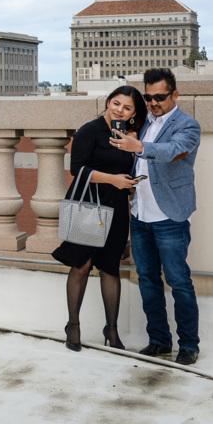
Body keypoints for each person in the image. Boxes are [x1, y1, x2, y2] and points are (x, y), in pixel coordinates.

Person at [110, 68, 202, 365]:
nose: (153, 103)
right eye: (148, 97)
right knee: (148, 280)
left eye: (160, 97)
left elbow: (174, 151)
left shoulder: (188, 125)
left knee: (179, 282)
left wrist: (138, 146)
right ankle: (159, 341)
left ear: (175, 94)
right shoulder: (143, 121)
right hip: (140, 215)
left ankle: (189, 345)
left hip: (170, 216)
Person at [52, 86, 147, 351]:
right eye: (116, 103)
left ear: (133, 113)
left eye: (127, 108)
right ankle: (73, 325)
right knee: (82, 264)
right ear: (108, 102)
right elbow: (77, 169)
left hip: (117, 206)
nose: (119, 110)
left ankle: (111, 329)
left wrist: (133, 149)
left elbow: (131, 168)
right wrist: (112, 179)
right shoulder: (89, 130)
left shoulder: (130, 136)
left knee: (110, 267)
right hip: (89, 204)